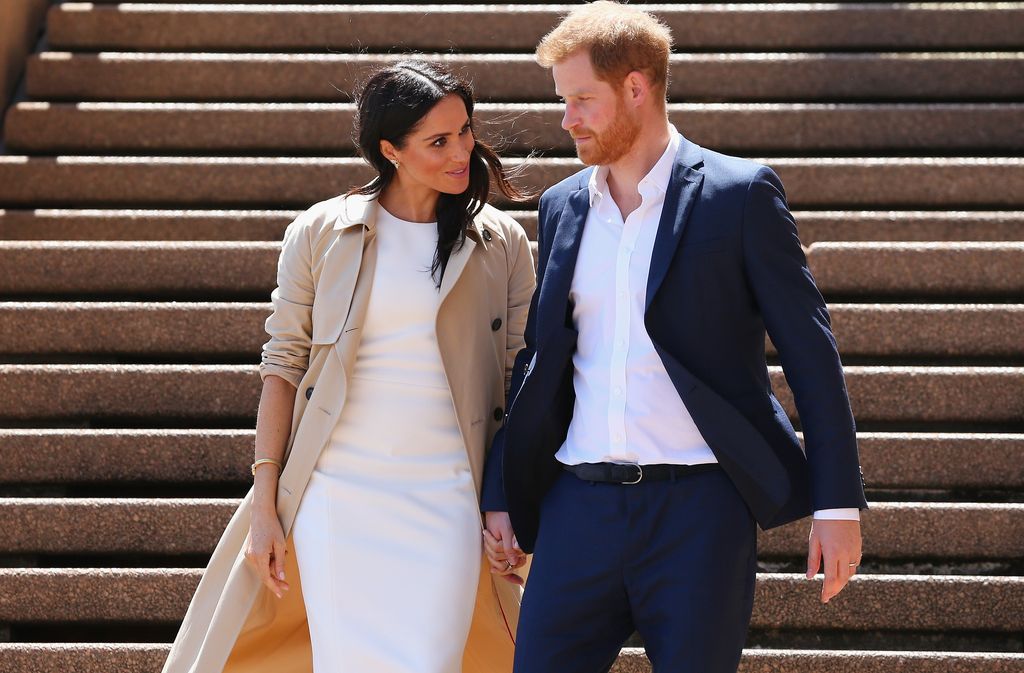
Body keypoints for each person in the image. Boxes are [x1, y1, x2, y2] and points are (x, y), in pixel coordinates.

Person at [480, 3, 868, 672]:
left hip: (700, 511)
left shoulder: (739, 196)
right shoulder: (562, 204)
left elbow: (811, 354)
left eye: (581, 99)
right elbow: (540, 359)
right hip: (578, 507)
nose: (566, 119)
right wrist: (502, 489)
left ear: (636, 87)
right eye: (563, 101)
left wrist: (836, 503)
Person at [161, 60, 536, 673]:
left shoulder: (500, 241)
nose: (461, 152)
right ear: (390, 150)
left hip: (447, 490)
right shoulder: (321, 231)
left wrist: (504, 499)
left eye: (465, 131)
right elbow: (283, 366)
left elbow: (523, 377)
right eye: (438, 141)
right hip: (339, 491)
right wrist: (265, 506)